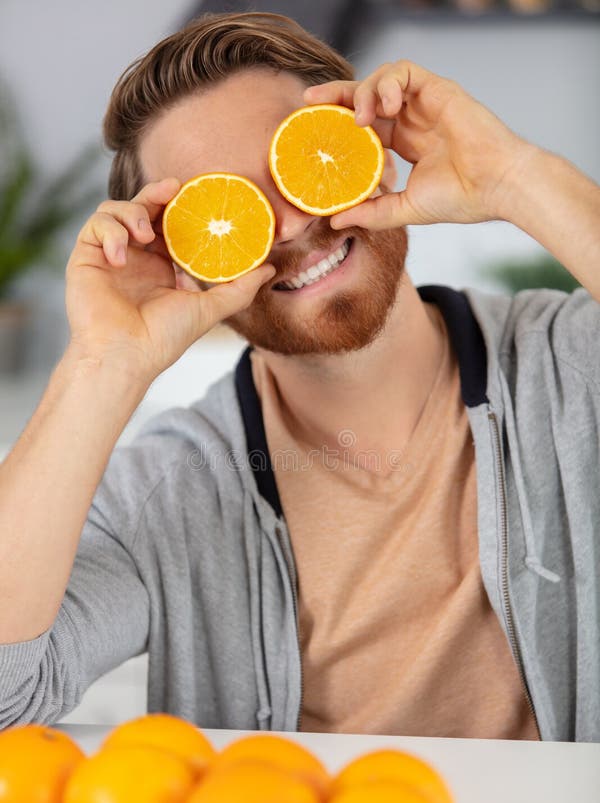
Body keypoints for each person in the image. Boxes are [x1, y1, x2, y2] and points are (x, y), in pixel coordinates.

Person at [0, 12, 598, 742]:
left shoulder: (568, 368)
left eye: (301, 166)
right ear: (184, 260)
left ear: (371, 155)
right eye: (227, 208)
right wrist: (101, 362)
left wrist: (516, 176)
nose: (285, 228)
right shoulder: (170, 494)